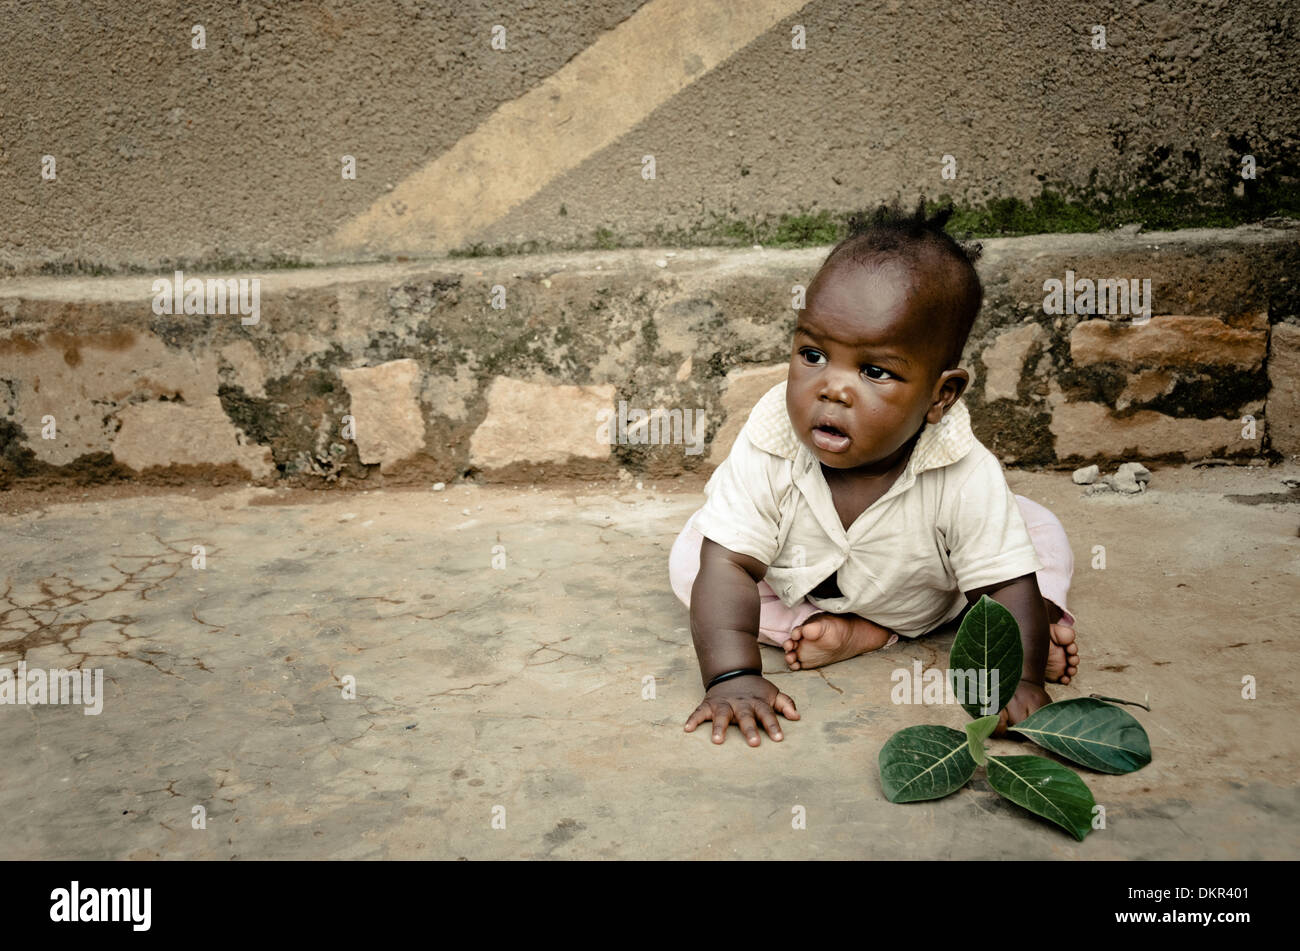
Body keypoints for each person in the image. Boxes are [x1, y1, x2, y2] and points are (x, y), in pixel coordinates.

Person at [668, 201, 1079, 747]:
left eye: (875, 371)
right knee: (697, 559)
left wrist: (1019, 680)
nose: (832, 387)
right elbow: (728, 565)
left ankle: (1038, 617)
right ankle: (846, 632)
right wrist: (733, 676)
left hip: (934, 588)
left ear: (941, 396)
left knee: (1037, 533)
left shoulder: (964, 470)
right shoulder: (769, 442)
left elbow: (1003, 581)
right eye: (813, 354)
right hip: (803, 585)